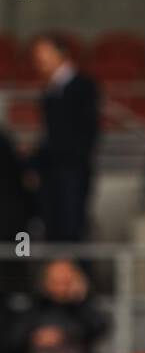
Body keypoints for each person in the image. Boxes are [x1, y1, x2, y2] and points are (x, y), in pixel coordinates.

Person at [25, 33, 99, 241]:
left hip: (71, 173)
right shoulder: (48, 91)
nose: (39, 60)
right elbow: (51, 135)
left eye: (44, 53)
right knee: (53, 229)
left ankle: (76, 272)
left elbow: (84, 134)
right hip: (52, 174)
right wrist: (35, 161)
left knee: (71, 228)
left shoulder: (83, 86)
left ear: (61, 54)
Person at [5, 259, 110, 353]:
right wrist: (34, 337)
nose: (61, 286)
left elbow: (100, 328)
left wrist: (79, 302)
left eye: (66, 281)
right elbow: (13, 340)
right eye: (56, 281)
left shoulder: (82, 308)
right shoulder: (35, 308)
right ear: (45, 282)